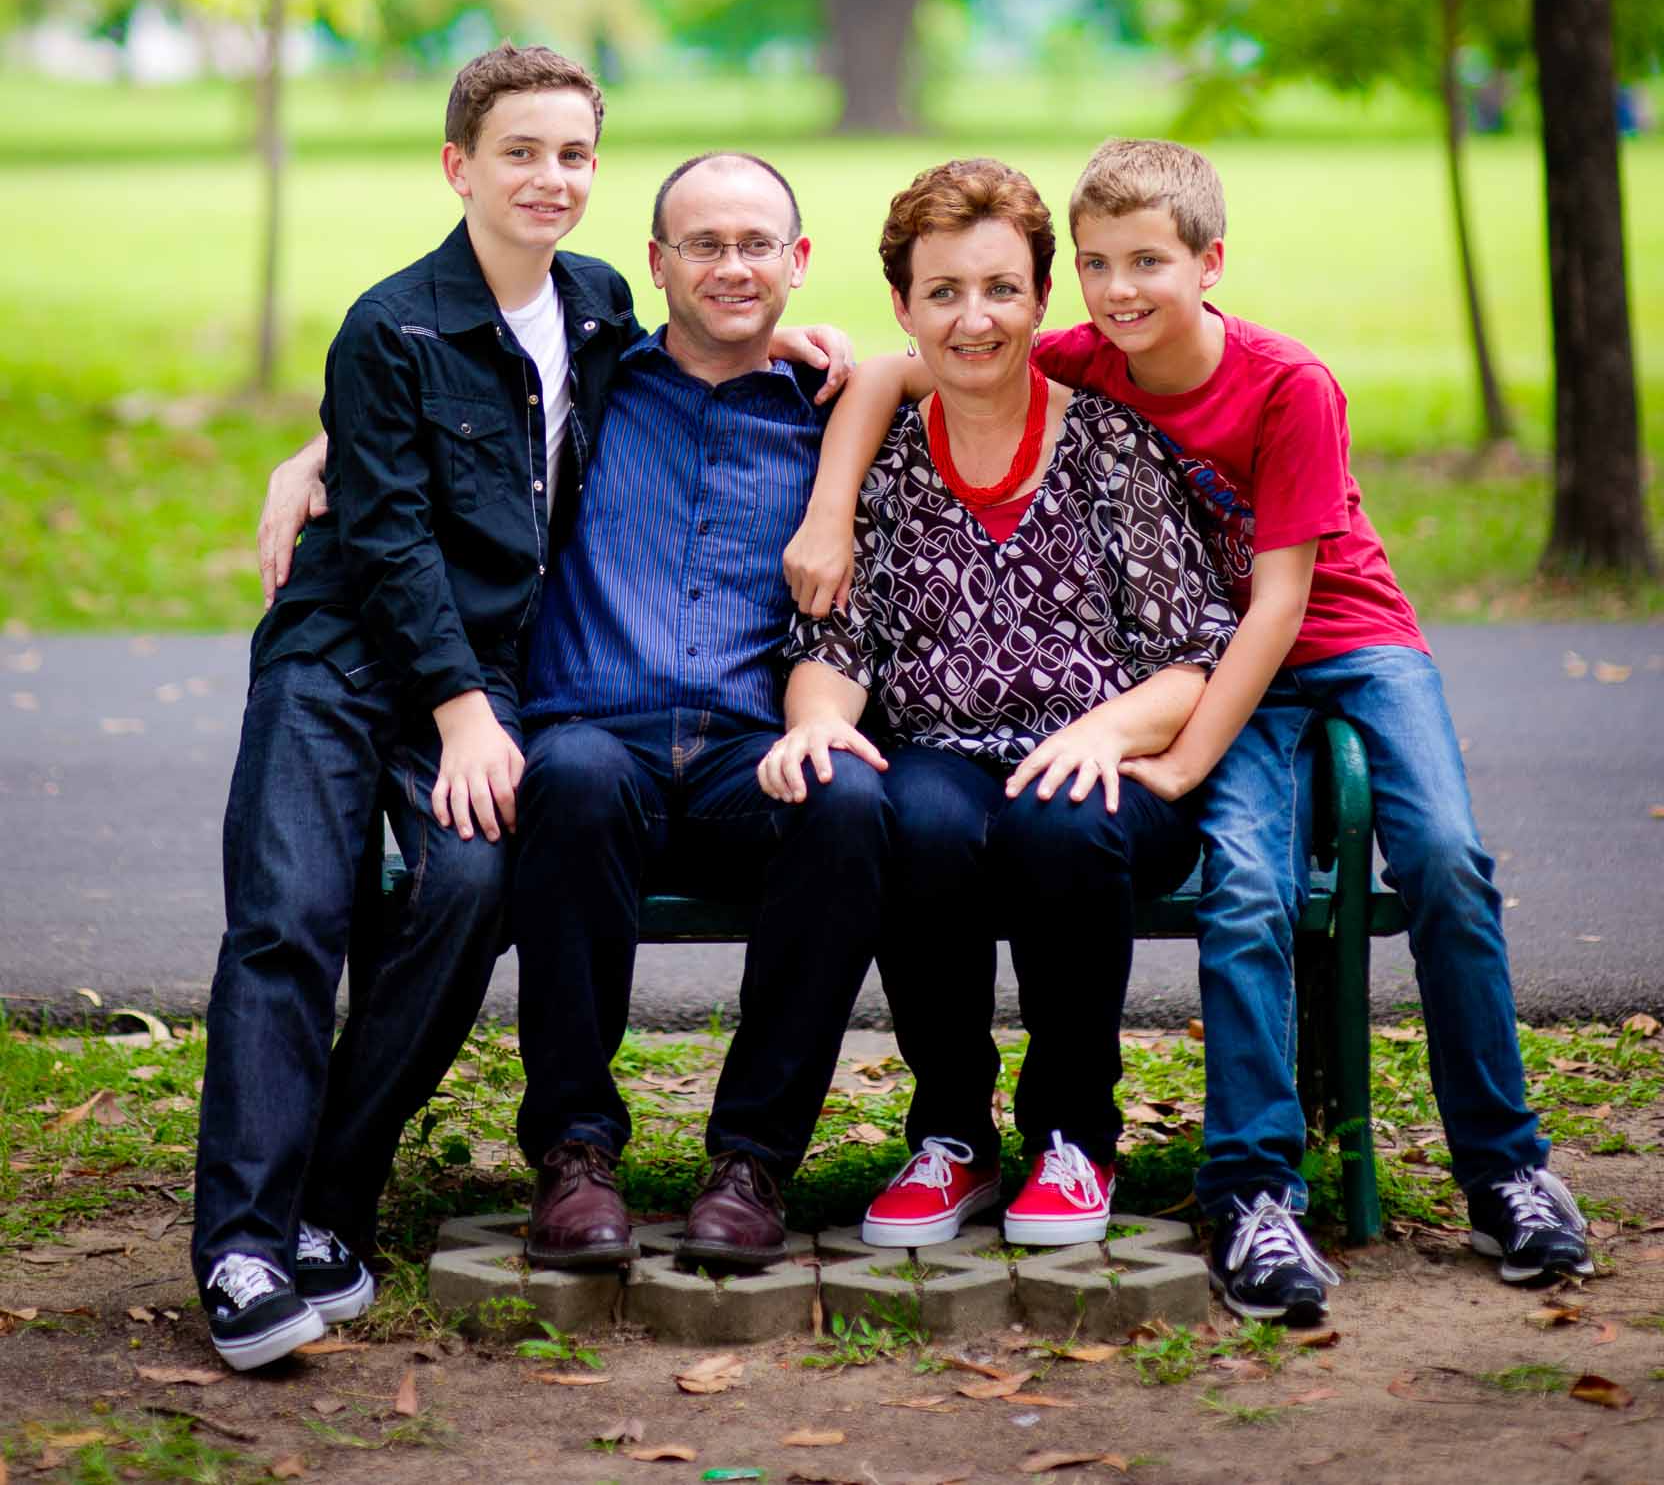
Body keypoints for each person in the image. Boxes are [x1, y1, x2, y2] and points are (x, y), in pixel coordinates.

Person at [788, 137, 1588, 1323]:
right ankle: (1249, 1187)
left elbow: (1273, 606)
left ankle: (1506, 1165)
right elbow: (900, 373)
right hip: (1223, 672)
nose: (1120, 291)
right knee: (1249, 892)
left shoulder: (1283, 383)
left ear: (1209, 263)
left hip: (1336, 643)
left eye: (1147, 263)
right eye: (1100, 264)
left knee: (1443, 864)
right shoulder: (1070, 351)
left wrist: (1178, 757)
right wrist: (829, 505)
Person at [195, 43, 627, 1370]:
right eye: (520, 152)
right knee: (289, 920)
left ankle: (333, 1200)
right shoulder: (391, 323)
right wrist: (456, 711)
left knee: (469, 886)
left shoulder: (602, 306)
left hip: (482, 674)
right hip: (344, 660)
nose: (548, 177)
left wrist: (810, 338)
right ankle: (242, 1246)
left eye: (572, 154)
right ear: (459, 167)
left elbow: (702, 359)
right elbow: (382, 539)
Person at [763, 159, 1236, 1250]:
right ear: (902, 307)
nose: (971, 319)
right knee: (915, 815)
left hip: (1111, 765)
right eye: (941, 292)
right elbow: (834, 637)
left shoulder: (1111, 448)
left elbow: (1187, 658)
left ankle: (1074, 1135)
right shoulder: (880, 465)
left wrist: (1096, 733)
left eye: (999, 289)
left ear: (1038, 297)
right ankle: (953, 1138)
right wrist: (818, 718)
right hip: (943, 751)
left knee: (1057, 816)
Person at [510, 151, 890, 1275]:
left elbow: (963, 367)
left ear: (798, 261)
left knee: (851, 798)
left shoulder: (839, 414)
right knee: (569, 779)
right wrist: (309, 451)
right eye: (705, 245)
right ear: (657, 263)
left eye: (756, 245)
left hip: (746, 753)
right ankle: (574, 1151)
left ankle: (752, 1161)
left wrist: (860, 371)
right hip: (595, 738)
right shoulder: (587, 382)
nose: (731, 267)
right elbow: (423, 407)